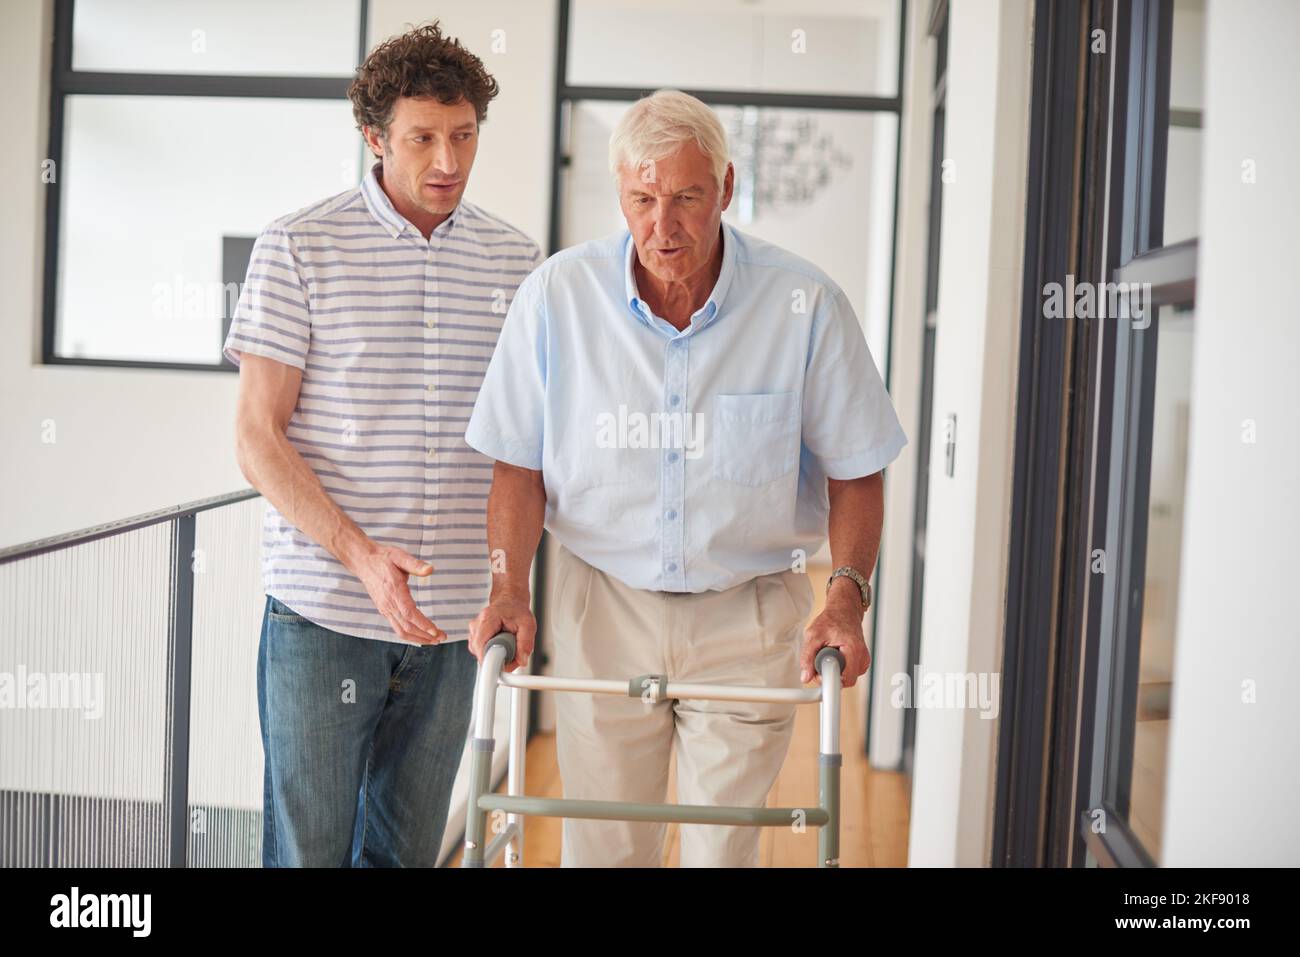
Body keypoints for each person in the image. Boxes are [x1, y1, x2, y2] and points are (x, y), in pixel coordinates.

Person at [464, 89, 907, 867]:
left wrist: (846, 593)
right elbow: (517, 464)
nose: (661, 225)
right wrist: (509, 585)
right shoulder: (556, 298)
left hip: (749, 615)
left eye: (685, 197)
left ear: (727, 189)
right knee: (604, 848)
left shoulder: (804, 304)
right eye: (641, 198)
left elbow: (858, 468)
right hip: (601, 605)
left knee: (723, 854)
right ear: (620, 195)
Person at [224, 22, 542, 867]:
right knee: (309, 852)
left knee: (403, 858)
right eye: (423, 138)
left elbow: (525, 446)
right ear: (374, 137)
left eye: (464, 135)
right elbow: (257, 438)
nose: (448, 160)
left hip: (451, 626)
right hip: (323, 611)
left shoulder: (516, 263)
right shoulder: (299, 246)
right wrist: (362, 554)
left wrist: (511, 581)